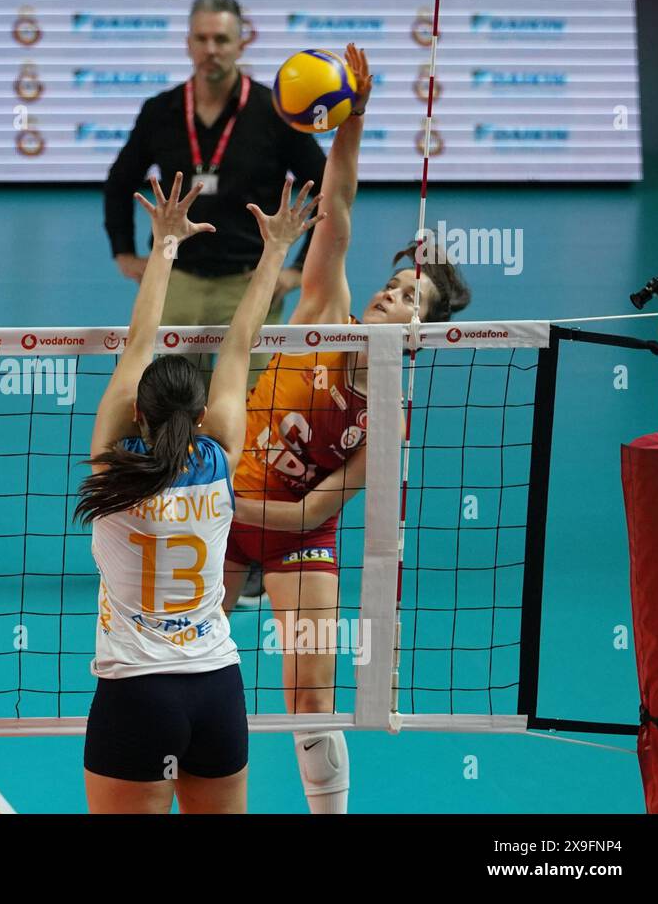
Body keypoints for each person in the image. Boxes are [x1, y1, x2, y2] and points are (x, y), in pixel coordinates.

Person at [221, 45, 471, 814]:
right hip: (227, 520)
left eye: (407, 300)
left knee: (312, 693)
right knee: (170, 658)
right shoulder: (326, 309)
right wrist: (355, 120)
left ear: (420, 334)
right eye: (394, 285)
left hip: (288, 533)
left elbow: (308, 513)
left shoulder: (386, 419)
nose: (390, 298)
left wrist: (222, 504)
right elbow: (339, 207)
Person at [79, 171, 325, 813]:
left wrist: (164, 244)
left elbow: (139, 342)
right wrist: (276, 250)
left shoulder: (112, 473)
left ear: (138, 412)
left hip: (137, 693)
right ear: (198, 414)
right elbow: (241, 343)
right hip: (217, 687)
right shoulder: (220, 459)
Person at [104, 0, 326, 380]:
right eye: (202, 39)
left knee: (248, 408)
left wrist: (298, 270)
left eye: (222, 40)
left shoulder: (273, 111)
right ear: (187, 43)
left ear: (242, 43)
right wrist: (123, 251)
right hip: (176, 280)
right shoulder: (160, 110)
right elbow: (119, 182)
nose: (211, 50)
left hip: (249, 283)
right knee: (167, 406)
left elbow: (326, 187)